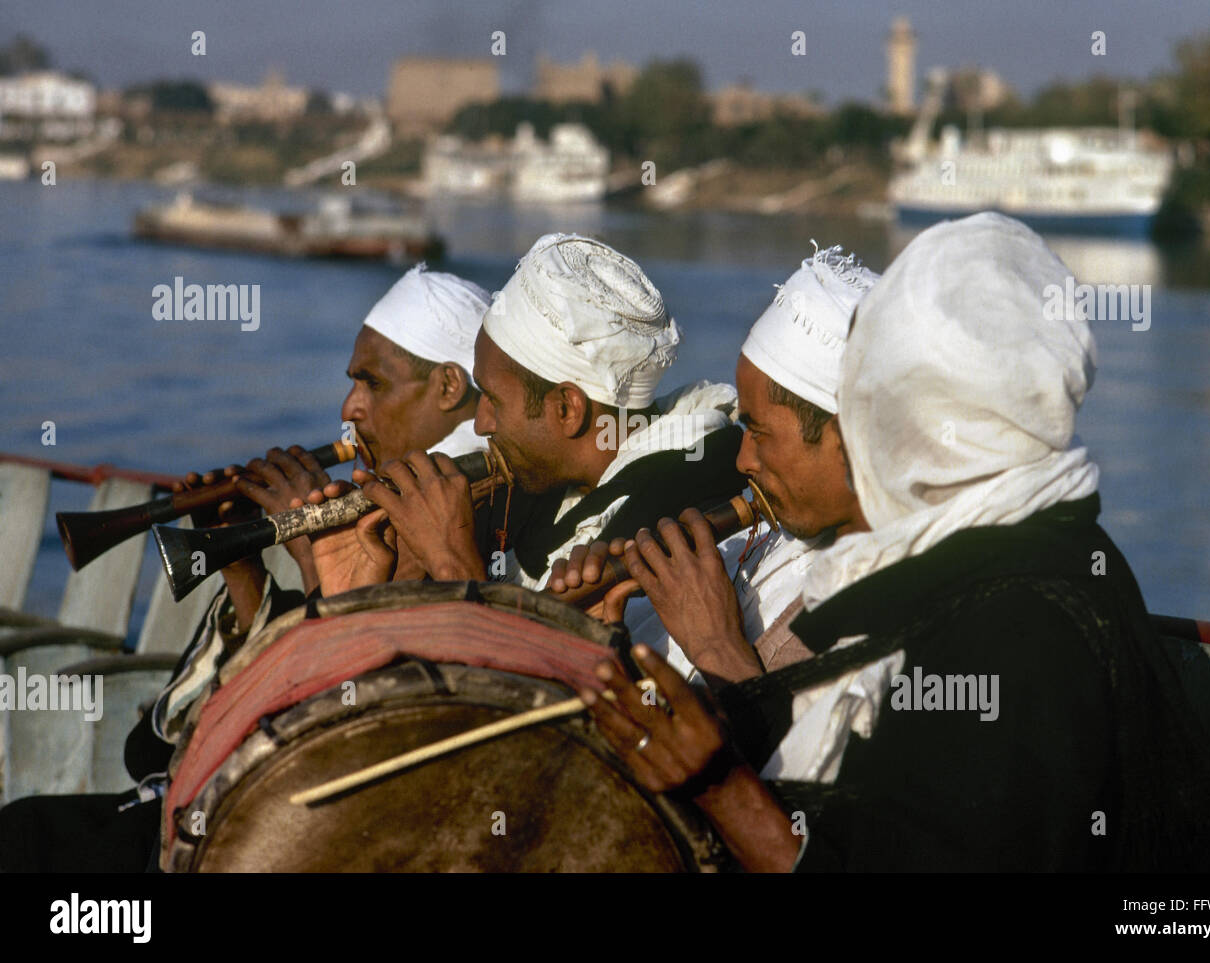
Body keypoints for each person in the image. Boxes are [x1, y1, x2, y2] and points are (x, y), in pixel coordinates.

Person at [575, 212, 1210, 872]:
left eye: (761, 433)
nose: (742, 460)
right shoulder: (1010, 555)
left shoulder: (1026, 627)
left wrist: (720, 783)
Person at [0, 266, 492, 872]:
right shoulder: (373, 500)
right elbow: (163, 744)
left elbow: (346, 729)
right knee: (22, 828)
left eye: (372, 383)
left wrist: (314, 560)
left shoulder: (467, 518)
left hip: (273, 835)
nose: (349, 407)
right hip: (196, 808)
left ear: (448, 386)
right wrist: (239, 564)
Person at [319, 233, 750, 680]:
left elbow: (522, 717)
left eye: (493, 400)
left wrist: (452, 562)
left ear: (567, 410)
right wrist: (352, 587)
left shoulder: (680, 504)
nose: (480, 424)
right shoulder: (545, 485)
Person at [547, 243, 879, 687]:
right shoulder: (770, 541)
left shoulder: (894, 605)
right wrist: (605, 636)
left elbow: (789, 757)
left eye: (759, 433)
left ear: (845, 440)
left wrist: (716, 646)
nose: (743, 460)